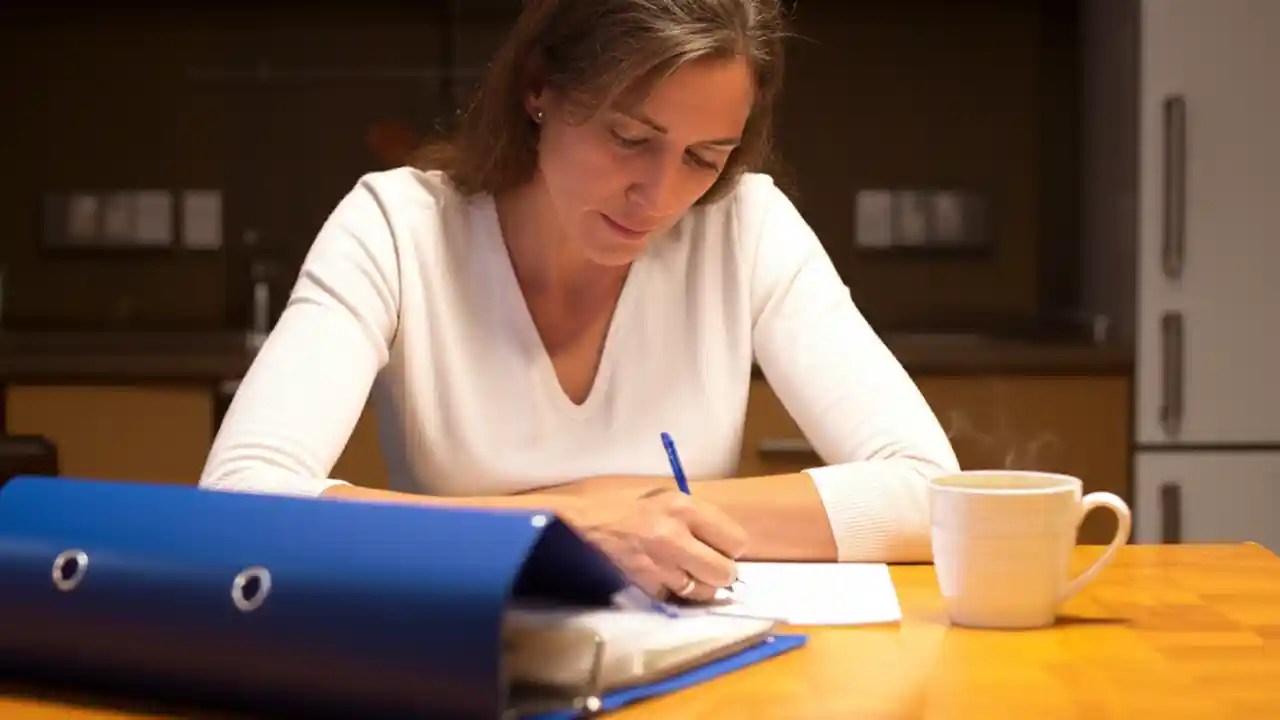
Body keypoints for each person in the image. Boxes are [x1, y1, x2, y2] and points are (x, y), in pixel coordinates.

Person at [200, 0, 959, 602]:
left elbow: (930, 492)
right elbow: (239, 503)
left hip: (692, 669)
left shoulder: (745, 227)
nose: (658, 196)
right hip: (466, 667)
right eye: (629, 138)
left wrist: (630, 506)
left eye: (703, 157)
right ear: (539, 88)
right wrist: (568, 524)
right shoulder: (398, 228)